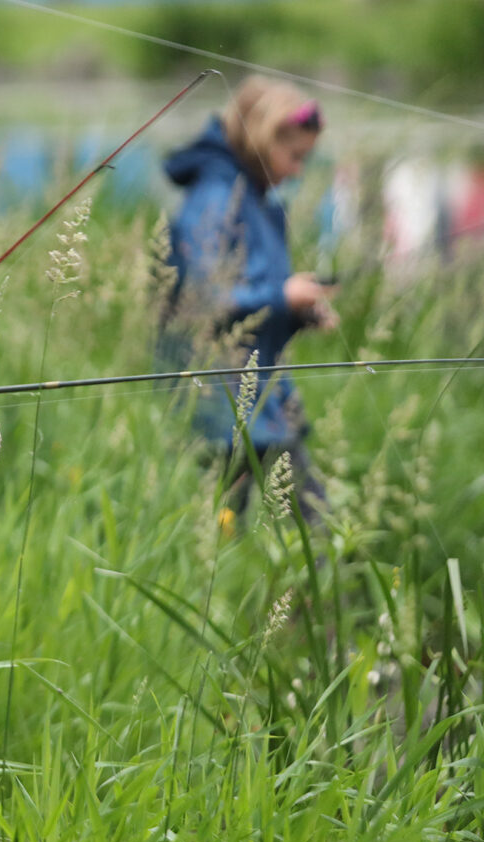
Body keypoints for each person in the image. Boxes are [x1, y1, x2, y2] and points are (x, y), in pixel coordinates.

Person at [157, 75, 340, 524]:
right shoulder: (216, 199)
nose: (298, 170)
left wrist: (296, 309)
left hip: (258, 392)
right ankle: (314, 592)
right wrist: (281, 294)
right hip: (222, 394)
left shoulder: (256, 200)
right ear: (262, 136)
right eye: (295, 156)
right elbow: (205, 297)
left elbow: (253, 297)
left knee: (232, 519)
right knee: (309, 522)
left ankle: (284, 590)